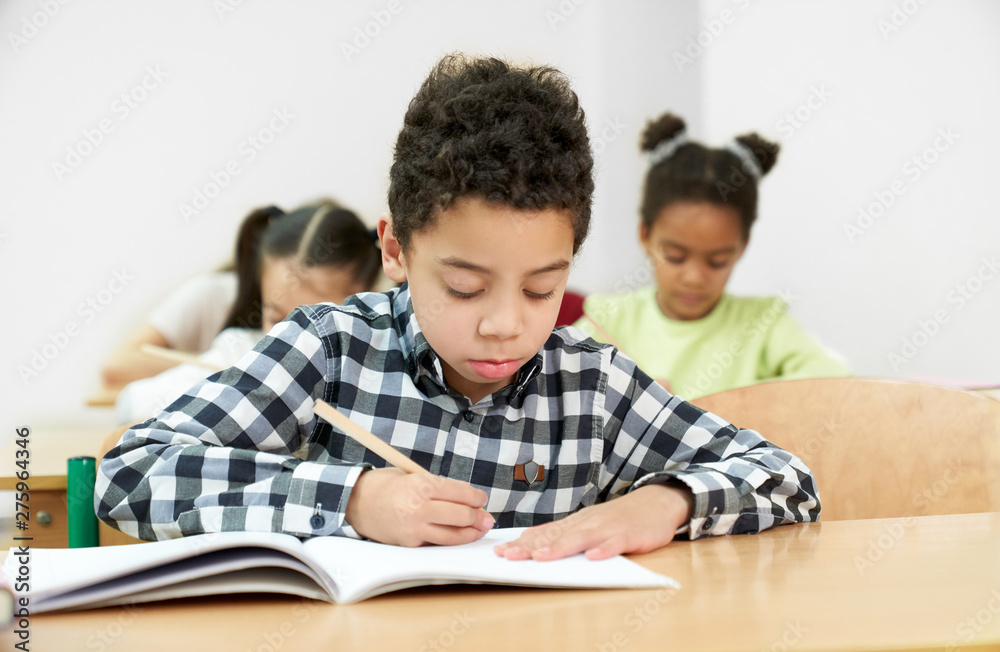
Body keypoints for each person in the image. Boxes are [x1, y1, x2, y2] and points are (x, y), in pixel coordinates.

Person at [96, 54, 819, 562]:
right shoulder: (329, 350)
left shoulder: (591, 387)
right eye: (466, 287)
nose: (506, 322)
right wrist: (351, 498)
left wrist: (660, 503)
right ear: (396, 250)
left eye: (542, 288)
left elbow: (785, 475)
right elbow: (129, 471)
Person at [574, 113, 849, 400]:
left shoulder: (762, 326)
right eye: (675, 256)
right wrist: (622, 397)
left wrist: (739, 409)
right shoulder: (609, 322)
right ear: (645, 235)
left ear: (741, 247)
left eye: (717, 261)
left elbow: (835, 380)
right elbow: (558, 390)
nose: (694, 278)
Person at [113, 203, 382, 423]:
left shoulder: (380, 370)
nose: (289, 336)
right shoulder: (242, 352)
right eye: (276, 318)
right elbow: (132, 404)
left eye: (316, 322)